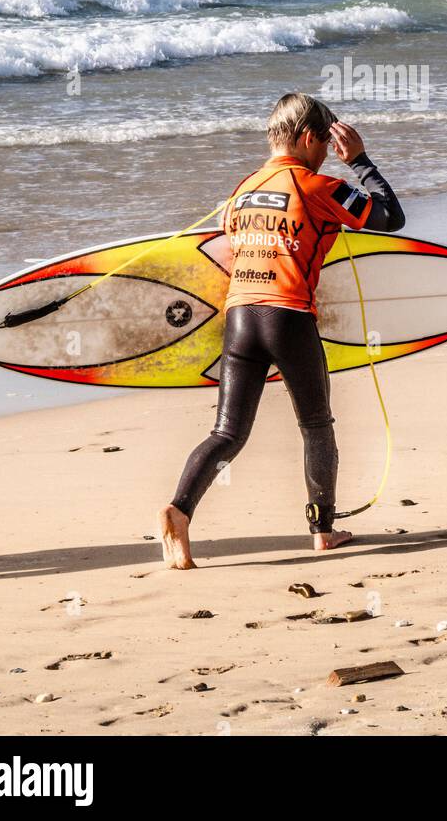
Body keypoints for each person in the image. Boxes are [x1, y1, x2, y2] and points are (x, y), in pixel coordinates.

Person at [159, 92, 405, 568]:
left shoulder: (242, 190)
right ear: (311, 137)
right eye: (325, 144)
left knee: (227, 431)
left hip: (240, 318)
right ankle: (323, 531)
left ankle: (179, 510)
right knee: (316, 425)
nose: (326, 155)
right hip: (288, 317)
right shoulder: (316, 186)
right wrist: (359, 160)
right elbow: (390, 217)